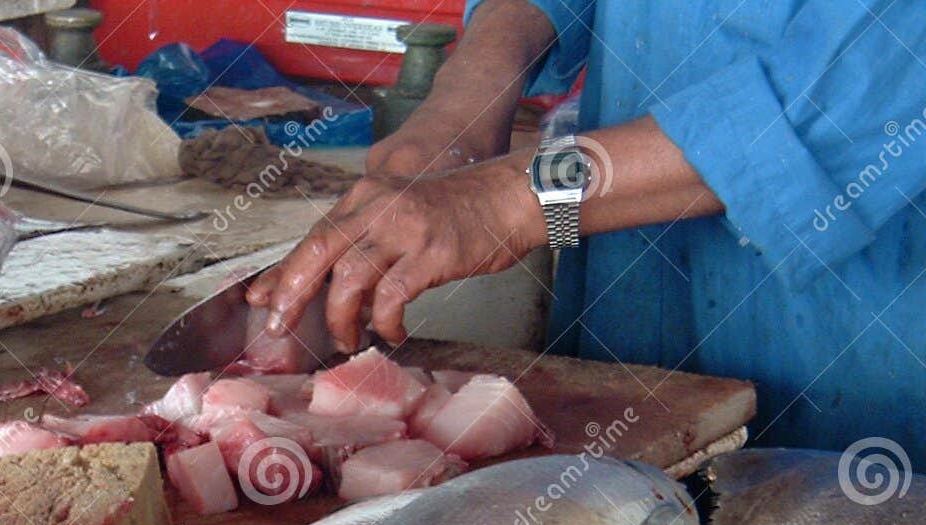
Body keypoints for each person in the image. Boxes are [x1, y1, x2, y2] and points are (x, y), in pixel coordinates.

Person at [248, 0, 926, 457]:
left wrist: (501, 203)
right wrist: (458, 112)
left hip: (853, 351)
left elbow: (843, 100)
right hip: (623, 296)